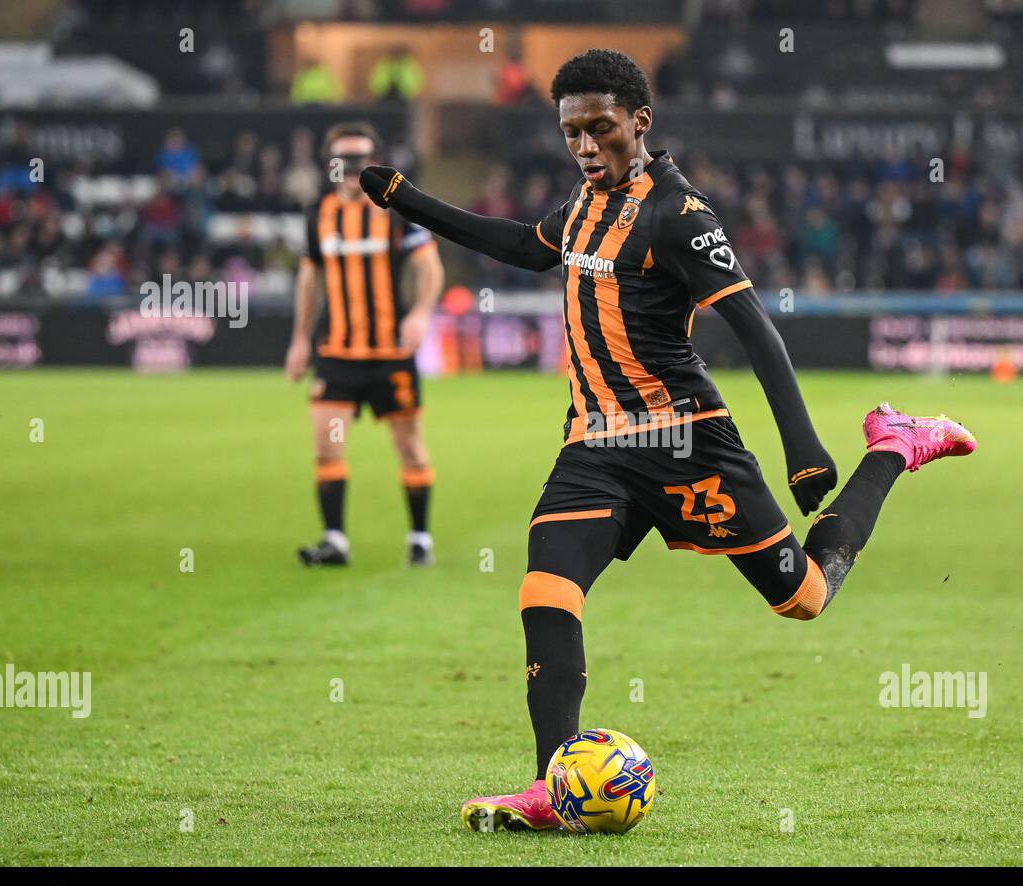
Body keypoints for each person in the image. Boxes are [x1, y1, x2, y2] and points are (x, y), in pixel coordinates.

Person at [358, 50, 976, 830]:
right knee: (545, 592)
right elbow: (522, 245)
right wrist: (407, 199)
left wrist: (804, 448)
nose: (584, 146)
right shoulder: (583, 205)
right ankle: (552, 785)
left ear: (639, 122)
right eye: (572, 132)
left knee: (805, 597)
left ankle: (894, 444)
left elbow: (756, 332)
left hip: (688, 442)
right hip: (595, 445)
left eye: (600, 129)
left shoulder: (679, 216)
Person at [286, 122, 445, 567]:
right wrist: (299, 341)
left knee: (410, 447)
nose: (351, 168)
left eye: (360, 159)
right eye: (343, 159)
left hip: (390, 355)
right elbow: (309, 279)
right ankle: (335, 540)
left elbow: (429, 267)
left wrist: (420, 313)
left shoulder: (395, 212)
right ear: (328, 164)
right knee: (326, 445)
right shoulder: (319, 214)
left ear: (373, 163)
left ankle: (420, 538)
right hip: (337, 354)